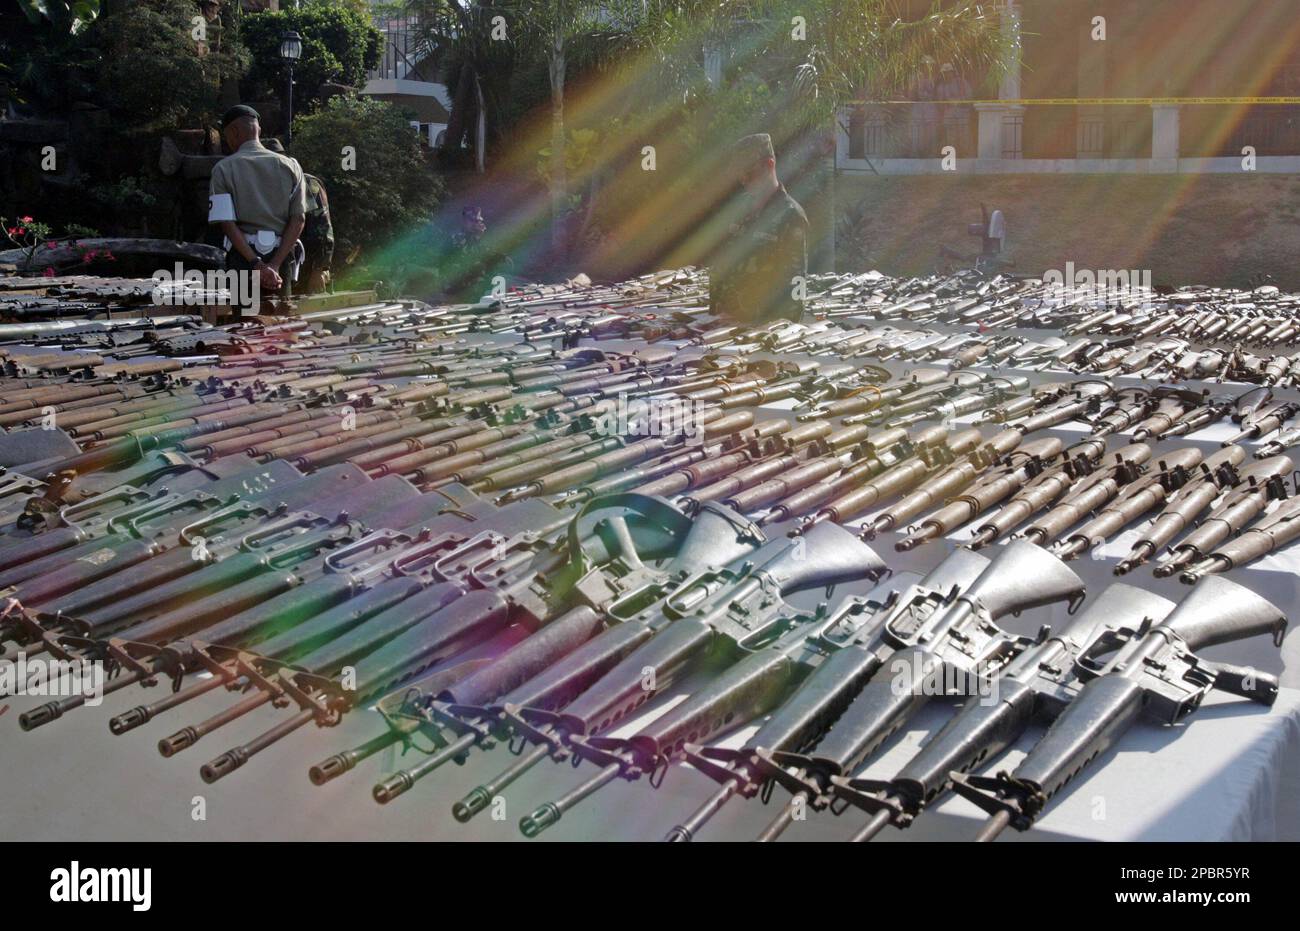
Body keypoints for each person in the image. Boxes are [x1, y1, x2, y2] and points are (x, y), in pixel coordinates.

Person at [207, 105, 307, 304]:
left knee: (244, 327)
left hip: (244, 259)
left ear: (233, 132)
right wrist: (274, 265)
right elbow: (299, 219)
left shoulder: (224, 169)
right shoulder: (292, 166)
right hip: (281, 258)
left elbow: (226, 223)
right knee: (280, 326)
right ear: (258, 131)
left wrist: (257, 264)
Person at [708, 133, 810, 324]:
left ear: (770, 165)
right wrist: (714, 313)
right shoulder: (738, 211)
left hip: (761, 329)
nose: (743, 179)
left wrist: (781, 333)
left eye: (749, 172)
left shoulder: (791, 215)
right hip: (723, 325)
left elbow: (796, 287)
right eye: (740, 174)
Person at [264, 137, 334, 294]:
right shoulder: (263, 186)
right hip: (276, 263)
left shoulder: (308, 183)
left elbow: (323, 228)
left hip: (306, 265)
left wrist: (319, 269)